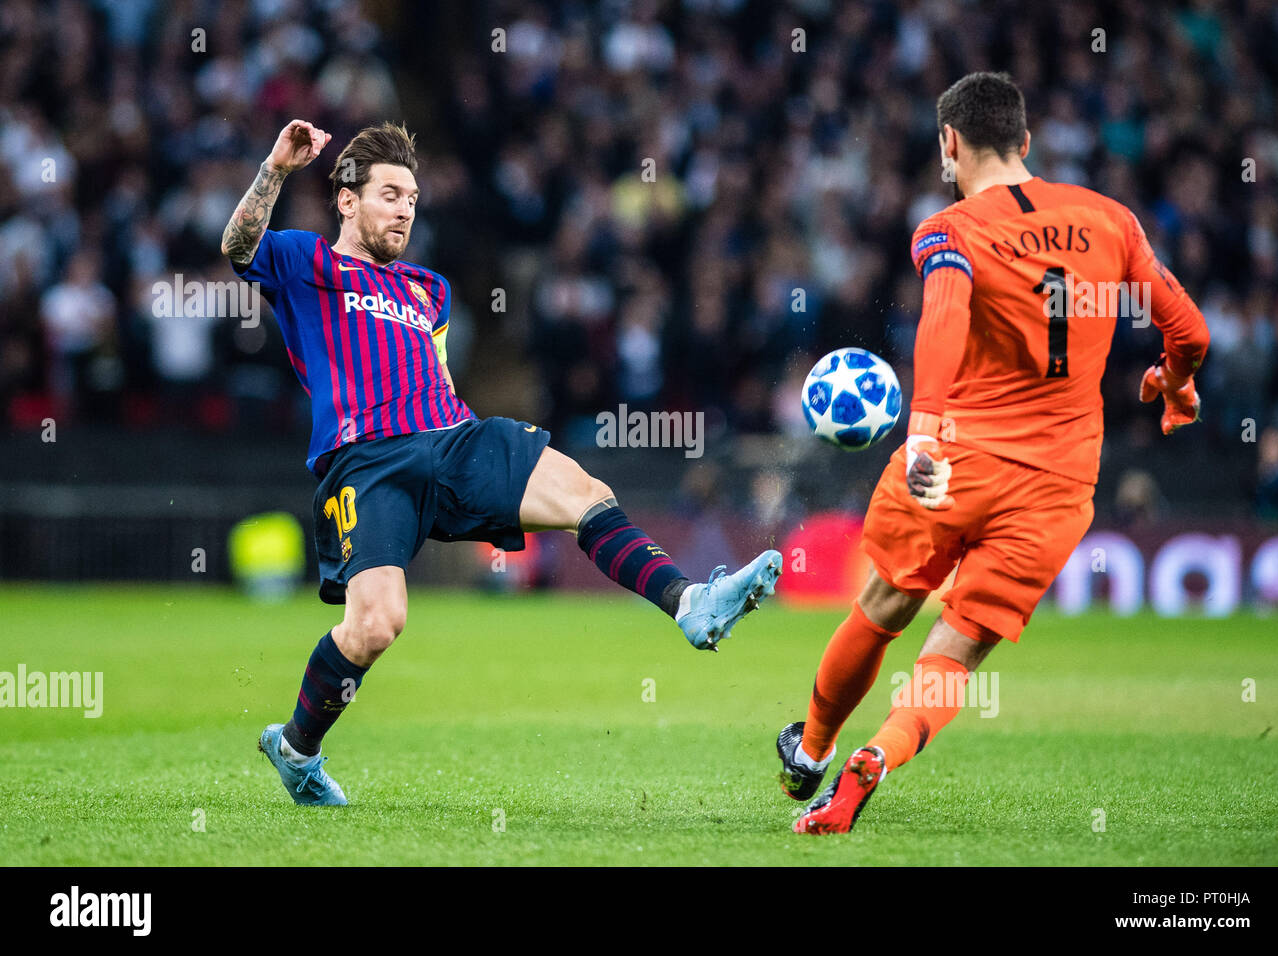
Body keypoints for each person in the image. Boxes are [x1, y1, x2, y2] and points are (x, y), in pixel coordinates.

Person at [221, 120, 781, 806]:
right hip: (365, 462)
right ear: (347, 200)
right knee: (376, 625)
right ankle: (297, 751)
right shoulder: (305, 263)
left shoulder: (428, 289)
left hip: (452, 438)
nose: (404, 209)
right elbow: (238, 246)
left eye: (413, 198)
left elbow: (433, 373)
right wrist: (277, 168)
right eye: (390, 194)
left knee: (585, 492)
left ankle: (690, 602)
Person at [776, 73, 1210, 834]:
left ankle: (811, 750)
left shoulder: (948, 230)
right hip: (1059, 482)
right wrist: (1174, 385)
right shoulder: (1111, 220)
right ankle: (878, 754)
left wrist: (926, 431)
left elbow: (943, 316)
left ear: (949, 143)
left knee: (883, 606)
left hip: (957, 457)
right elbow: (1191, 332)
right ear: (1027, 142)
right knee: (959, 651)